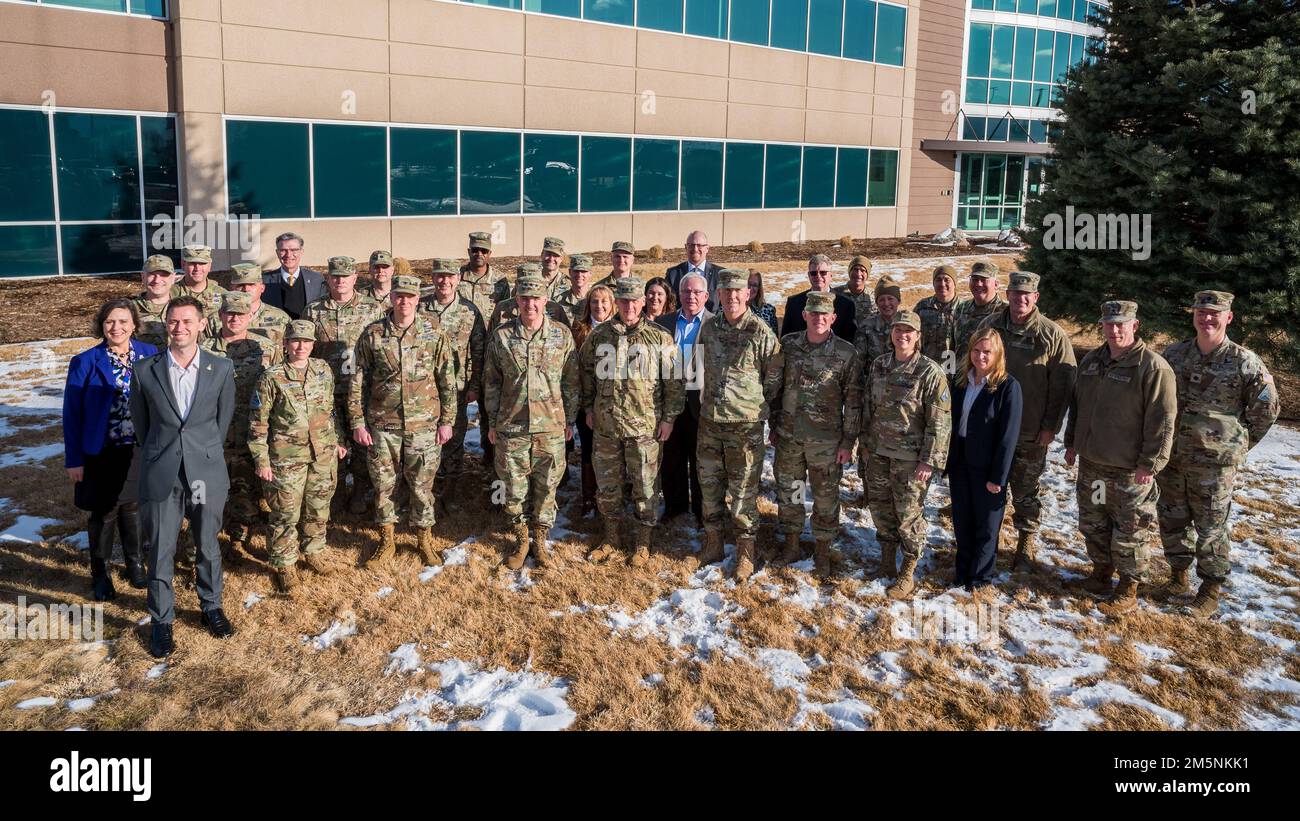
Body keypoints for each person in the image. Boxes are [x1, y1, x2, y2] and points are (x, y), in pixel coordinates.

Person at [1157, 290, 1279, 617]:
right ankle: (1177, 578)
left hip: (1215, 466)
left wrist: (1238, 442)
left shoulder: (1244, 361)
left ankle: (1210, 591)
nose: (1207, 318)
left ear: (1228, 317)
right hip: (1173, 457)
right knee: (1172, 518)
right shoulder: (1175, 354)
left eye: (1215, 313)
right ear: (1194, 315)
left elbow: (1267, 407)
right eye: (1201, 312)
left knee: (1211, 526)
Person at [130, 295, 236, 659]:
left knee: (207, 541)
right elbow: (142, 425)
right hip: (162, 471)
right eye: (173, 321)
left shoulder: (220, 368)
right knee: (160, 547)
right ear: (166, 325)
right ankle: (161, 619)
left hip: (204, 471)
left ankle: (211, 606)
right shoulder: (145, 370)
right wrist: (163, 452)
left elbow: (222, 422)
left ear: (202, 324)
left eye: (187, 321)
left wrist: (201, 452)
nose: (179, 328)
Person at [1065, 301, 1177, 616]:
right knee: (1095, 523)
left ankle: (1128, 587)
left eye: (1121, 324)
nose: (1114, 330)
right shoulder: (1092, 361)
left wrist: (1150, 463)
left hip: (1130, 472)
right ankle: (1100, 574)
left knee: (1129, 531)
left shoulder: (1152, 367)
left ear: (1134, 325)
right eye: (1109, 324)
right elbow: (1078, 406)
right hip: (1093, 466)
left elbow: (1163, 421)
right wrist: (1072, 443)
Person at [348, 275, 457, 567]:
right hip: (383, 426)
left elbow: (447, 378)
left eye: (410, 296)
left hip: (424, 425)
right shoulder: (372, 334)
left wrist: (447, 420)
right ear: (391, 298)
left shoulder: (433, 332)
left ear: (418, 299)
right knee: (384, 486)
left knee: (422, 486)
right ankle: (387, 541)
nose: (404, 301)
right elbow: (357, 381)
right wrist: (358, 422)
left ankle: (424, 539)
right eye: (399, 296)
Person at [580, 277, 684, 566]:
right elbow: (585, 372)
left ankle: (642, 541)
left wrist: (669, 419)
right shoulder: (600, 336)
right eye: (623, 301)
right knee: (608, 485)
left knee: (645, 486)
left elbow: (674, 382)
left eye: (633, 301)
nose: (628, 306)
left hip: (644, 428)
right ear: (617, 303)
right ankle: (611, 537)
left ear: (642, 303)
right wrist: (588, 407)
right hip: (606, 425)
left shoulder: (659, 338)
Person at [977, 271, 1076, 570]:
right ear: (1007, 294)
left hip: (1030, 430)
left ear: (1035, 298)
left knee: (1025, 490)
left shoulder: (1052, 335)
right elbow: (970, 366)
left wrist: (1051, 427)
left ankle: (1025, 542)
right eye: (1015, 293)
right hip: (989, 428)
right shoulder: (990, 325)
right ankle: (987, 540)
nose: (1020, 299)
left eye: (1026, 295)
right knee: (989, 486)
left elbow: (1063, 385)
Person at [483, 274, 580, 570]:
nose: (530, 304)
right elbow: (491, 384)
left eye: (536, 298)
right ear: (517, 301)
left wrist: (569, 420)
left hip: (550, 426)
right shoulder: (501, 336)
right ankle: (521, 539)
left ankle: (540, 540)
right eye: (524, 298)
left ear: (545, 301)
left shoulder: (561, 335)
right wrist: (491, 422)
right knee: (513, 488)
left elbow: (571, 382)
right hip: (511, 426)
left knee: (547, 487)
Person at [63, 299, 157, 600]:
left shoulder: (150, 354)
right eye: (109, 322)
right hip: (100, 450)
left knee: (132, 506)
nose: (116, 327)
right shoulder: (85, 361)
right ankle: (100, 573)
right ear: (102, 325)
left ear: (134, 324)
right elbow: (71, 415)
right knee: (104, 511)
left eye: (122, 321)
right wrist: (74, 459)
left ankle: (135, 565)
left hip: (136, 448)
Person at [693, 269, 783, 580]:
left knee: (744, 490)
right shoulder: (709, 329)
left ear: (747, 294)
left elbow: (773, 383)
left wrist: (753, 409)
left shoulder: (761, 334)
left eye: (737, 292)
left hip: (744, 427)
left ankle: (746, 552)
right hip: (710, 423)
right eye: (726, 291)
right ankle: (714, 544)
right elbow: (698, 368)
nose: (731, 297)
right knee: (710, 486)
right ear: (718, 295)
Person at [248, 321, 347, 593]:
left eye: (306, 341)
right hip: (286, 458)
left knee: (318, 506)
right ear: (286, 344)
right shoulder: (272, 377)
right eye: (295, 341)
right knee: (285, 512)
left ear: (314, 344)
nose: (301, 346)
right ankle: (284, 563)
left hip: (322, 453)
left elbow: (330, 409)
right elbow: (258, 423)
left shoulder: (322, 370)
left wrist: (338, 440)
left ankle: (313, 550)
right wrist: (262, 460)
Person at [861, 309, 952, 600]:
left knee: (908, 515)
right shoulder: (879, 365)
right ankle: (887, 562)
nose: (903, 336)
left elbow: (939, 421)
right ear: (891, 334)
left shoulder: (929, 372)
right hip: (877, 453)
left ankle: (908, 571)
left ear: (918, 337)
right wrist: (863, 444)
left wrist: (929, 460)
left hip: (910, 460)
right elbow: (868, 408)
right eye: (898, 330)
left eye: (908, 332)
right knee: (881, 508)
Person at [770, 291, 863, 577]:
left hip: (826, 443)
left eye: (825, 314)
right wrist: (774, 425)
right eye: (814, 313)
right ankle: (793, 543)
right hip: (790, 440)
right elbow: (776, 389)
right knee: (791, 493)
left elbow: (854, 401)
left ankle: (822, 549)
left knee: (825, 497)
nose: (818, 319)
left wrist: (848, 441)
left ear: (833, 318)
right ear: (804, 315)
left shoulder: (847, 353)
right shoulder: (788, 346)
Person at [201, 291, 282, 559]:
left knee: (245, 486)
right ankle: (204, 536)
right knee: (212, 489)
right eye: (229, 313)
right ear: (221, 315)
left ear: (250, 316)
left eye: (240, 314)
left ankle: (239, 535)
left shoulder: (265, 348)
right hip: (215, 433)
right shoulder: (204, 350)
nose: (234, 318)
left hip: (252, 431)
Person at [303, 255, 385, 515]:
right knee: (328, 444)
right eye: (335, 276)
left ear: (355, 278)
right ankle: (334, 493)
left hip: (361, 389)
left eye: (345, 276)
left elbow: (380, 349)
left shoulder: (373, 309)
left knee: (362, 442)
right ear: (327, 278)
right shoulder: (314, 310)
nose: (340, 281)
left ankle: (361, 492)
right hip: (326, 391)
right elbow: (307, 351)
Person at [947, 328, 1023, 594]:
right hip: (960, 462)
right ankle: (962, 573)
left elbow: (1008, 437)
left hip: (988, 466)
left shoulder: (1007, 387)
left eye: (987, 352)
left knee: (987, 526)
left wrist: (998, 477)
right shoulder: (961, 381)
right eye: (976, 350)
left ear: (997, 354)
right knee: (962, 520)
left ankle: (980, 579)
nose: (981, 356)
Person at [419, 259, 487, 508]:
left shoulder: (469, 311)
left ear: (458, 279)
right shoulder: (420, 308)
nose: (444, 281)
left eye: (449, 276)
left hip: (457, 388)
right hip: (422, 390)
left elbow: (478, 352)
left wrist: (475, 386)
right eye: (439, 276)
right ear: (433, 278)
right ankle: (426, 491)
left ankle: (450, 492)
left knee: (454, 439)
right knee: (425, 441)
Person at [655, 273, 712, 527]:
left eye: (697, 292)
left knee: (699, 459)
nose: (691, 296)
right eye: (687, 292)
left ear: (706, 297)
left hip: (699, 401)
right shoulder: (663, 322)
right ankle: (675, 506)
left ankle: (701, 510)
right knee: (671, 457)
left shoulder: (714, 324)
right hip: (670, 401)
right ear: (679, 295)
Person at [572, 284, 615, 515]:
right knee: (588, 447)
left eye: (604, 302)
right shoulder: (579, 329)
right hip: (586, 401)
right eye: (595, 302)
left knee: (608, 450)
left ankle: (607, 495)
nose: (599, 306)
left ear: (612, 305)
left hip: (611, 403)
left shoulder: (618, 329)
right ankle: (588, 497)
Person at [780, 254, 857, 341]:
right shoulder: (794, 302)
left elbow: (849, 339)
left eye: (823, 272)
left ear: (831, 275)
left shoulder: (846, 304)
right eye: (813, 273)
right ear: (809, 275)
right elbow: (785, 339)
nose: (818, 276)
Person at [223, 262, 291, 346]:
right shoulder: (218, 318)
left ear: (262, 288)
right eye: (240, 285)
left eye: (251, 284)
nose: (246, 289)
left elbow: (290, 351)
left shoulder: (281, 318)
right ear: (231, 288)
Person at [488, 262, 572, 330]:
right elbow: (491, 340)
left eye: (534, 284)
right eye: (524, 284)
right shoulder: (503, 308)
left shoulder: (555, 309)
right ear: (516, 284)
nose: (528, 289)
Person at [261, 232, 324, 320]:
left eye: (294, 250)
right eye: (283, 250)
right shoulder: (264, 280)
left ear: (301, 252)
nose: (288, 255)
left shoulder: (317, 279)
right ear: (277, 252)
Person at [952, 261, 1006, 362]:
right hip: (961, 374)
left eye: (984, 280)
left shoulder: (1005, 313)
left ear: (996, 284)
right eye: (975, 279)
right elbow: (953, 345)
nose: (978, 284)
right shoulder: (961, 308)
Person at [458, 231, 511, 329]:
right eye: (475, 250)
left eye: (484, 251)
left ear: (489, 253)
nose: (479, 254)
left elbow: (505, 314)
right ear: (469, 252)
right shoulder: (456, 277)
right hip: (462, 337)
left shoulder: (500, 280)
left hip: (489, 337)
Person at [914, 264, 959, 372]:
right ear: (933, 283)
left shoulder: (964, 309)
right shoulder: (922, 307)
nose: (942, 284)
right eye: (938, 280)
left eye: (947, 280)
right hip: (926, 370)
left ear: (954, 284)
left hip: (955, 372)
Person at [665, 230, 721, 311]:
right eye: (691, 245)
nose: (695, 249)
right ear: (686, 247)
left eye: (699, 245)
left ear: (707, 248)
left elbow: (724, 306)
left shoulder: (719, 274)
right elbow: (668, 304)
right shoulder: (673, 274)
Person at [170, 245, 225, 321]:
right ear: (183, 265)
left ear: (209, 266)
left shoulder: (221, 294)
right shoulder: (171, 293)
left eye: (202, 263)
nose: (197, 268)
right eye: (192, 263)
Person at [132, 254, 176, 348]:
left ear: (173, 278)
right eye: (152, 274)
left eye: (164, 275)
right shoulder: (130, 310)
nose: (157, 280)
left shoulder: (185, 308)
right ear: (143, 277)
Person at [834, 255, 877, 327]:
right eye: (855, 269)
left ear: (867, 274)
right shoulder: (836, 294)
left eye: (863, 270)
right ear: (849, 272)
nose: (858, 274)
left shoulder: (875, 296)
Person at [555, 254, 594, 325]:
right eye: (576, 271)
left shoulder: (596, 299)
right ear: (570, 272)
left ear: (590, 273)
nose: (579, 275)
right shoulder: (558, 301)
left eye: (583, 271)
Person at [746, 270, 779, 336]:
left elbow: (775, 339)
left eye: (755, 285)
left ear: (759, 288)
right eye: (748, 284)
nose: (751, 288)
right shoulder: (730, 309)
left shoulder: (769, 310)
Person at [537, 236, 569, 300]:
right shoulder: (531, 280)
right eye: (548, 254)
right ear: (542, 255)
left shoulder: (569, 283)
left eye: (555, 255)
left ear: (561, 258)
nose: (551, 259)